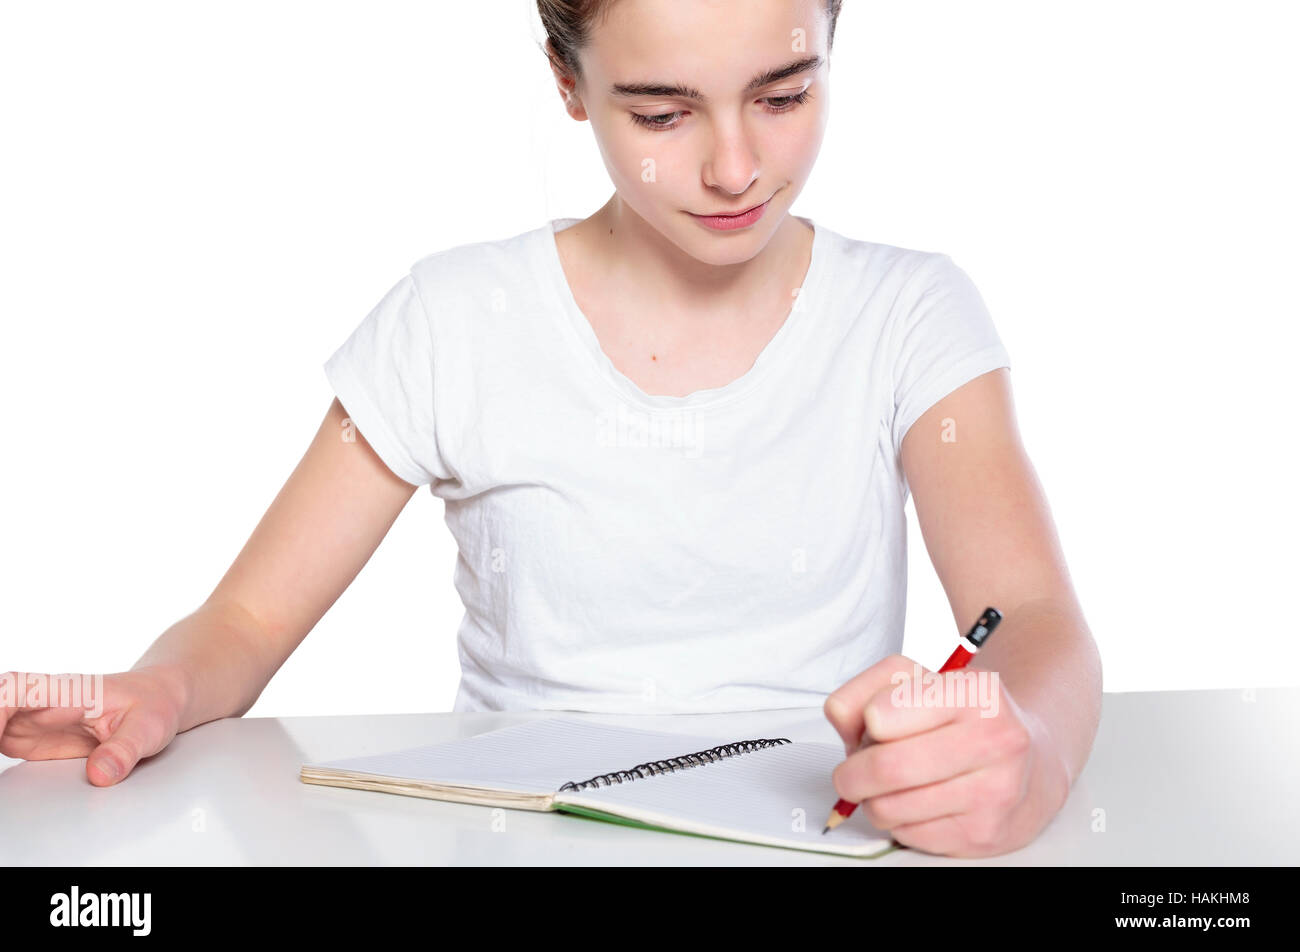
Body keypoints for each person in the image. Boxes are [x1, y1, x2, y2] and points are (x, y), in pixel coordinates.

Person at [0, 0, 1101, 858]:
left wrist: (1032, 753)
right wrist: (155, 691)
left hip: (820, 839)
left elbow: (1035, 617)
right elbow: (244, 615)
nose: (732, 167)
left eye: (783, 93)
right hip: (520, 843)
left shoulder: (906, 313)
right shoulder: (452, 322)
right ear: (567, 84)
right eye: (662, 113)